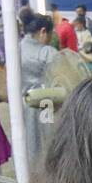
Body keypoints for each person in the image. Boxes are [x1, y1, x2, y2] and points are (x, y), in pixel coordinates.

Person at [20, 15, 58, 162]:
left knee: (28, 144)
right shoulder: (47, 52)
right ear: (43, 31)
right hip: (46, 104)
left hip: (22, 105)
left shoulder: (15, 49)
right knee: (48, 141)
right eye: (50, 34)